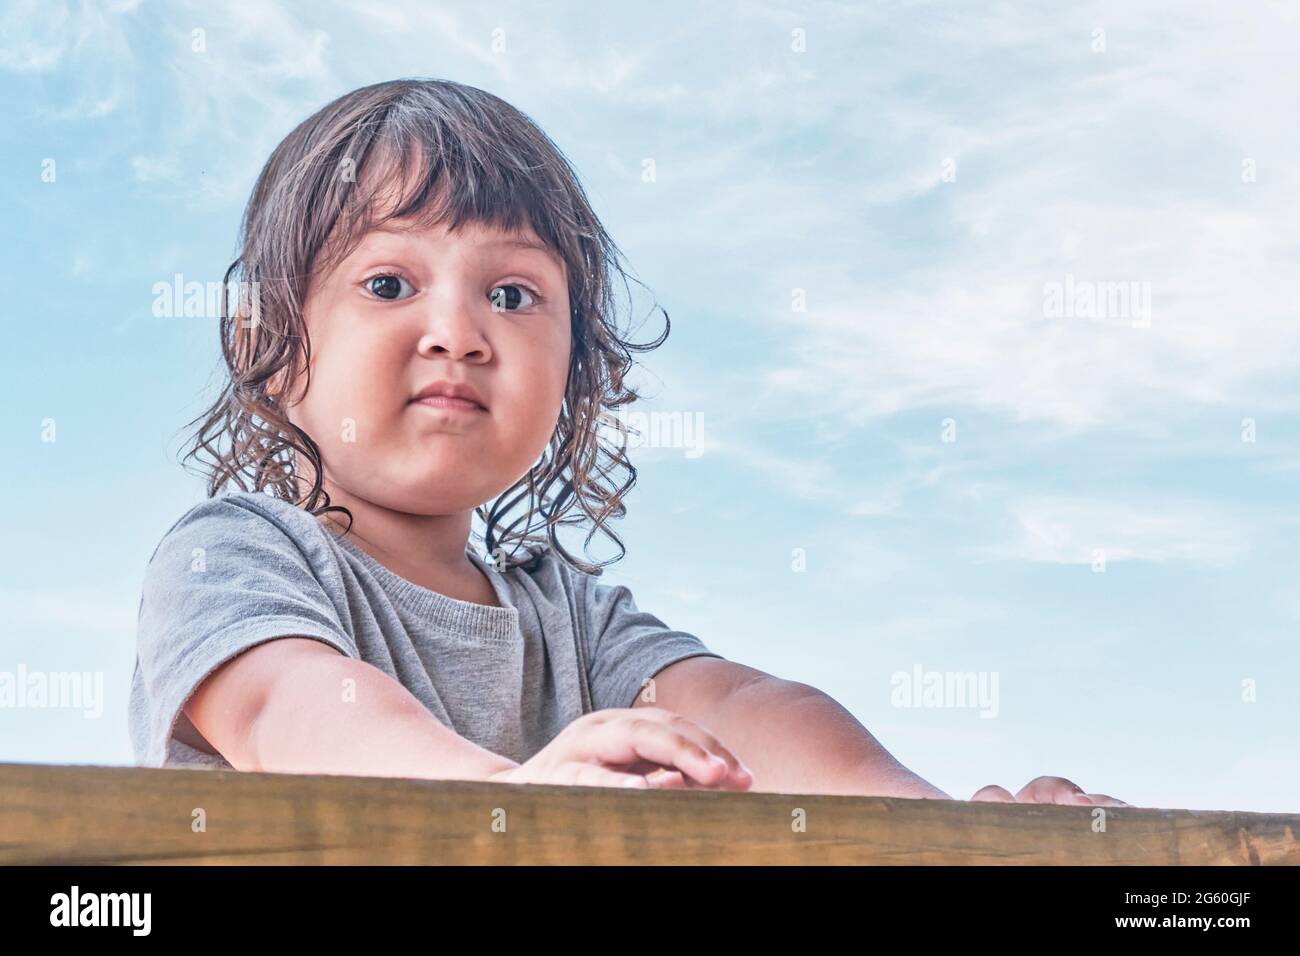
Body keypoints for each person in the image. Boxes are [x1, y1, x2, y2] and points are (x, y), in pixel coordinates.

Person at [129, 77, 1124, 807]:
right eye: (390, 284)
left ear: (575, 370)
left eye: (512, 293)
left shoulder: (566, 612)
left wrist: (939, 824)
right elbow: (295, 710)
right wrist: (512, 792)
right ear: (267, 345)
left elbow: (737, 706)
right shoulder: (235, 553)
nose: (458, 332)